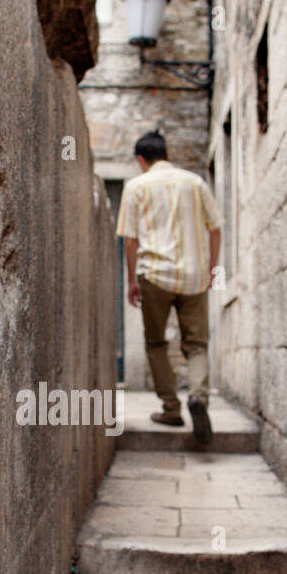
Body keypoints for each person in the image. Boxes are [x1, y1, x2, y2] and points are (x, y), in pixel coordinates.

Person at [116, 130, 222, 444]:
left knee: (156, 343)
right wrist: (213, 268)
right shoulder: (195, 182)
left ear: (141, 159)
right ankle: (199, 397)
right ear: (167, 153)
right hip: (194, 276)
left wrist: (132, 280)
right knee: (197, 344)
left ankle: (172, 408)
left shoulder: (135, 187)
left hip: (154, 275)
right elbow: (215, 227)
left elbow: (130, 239)